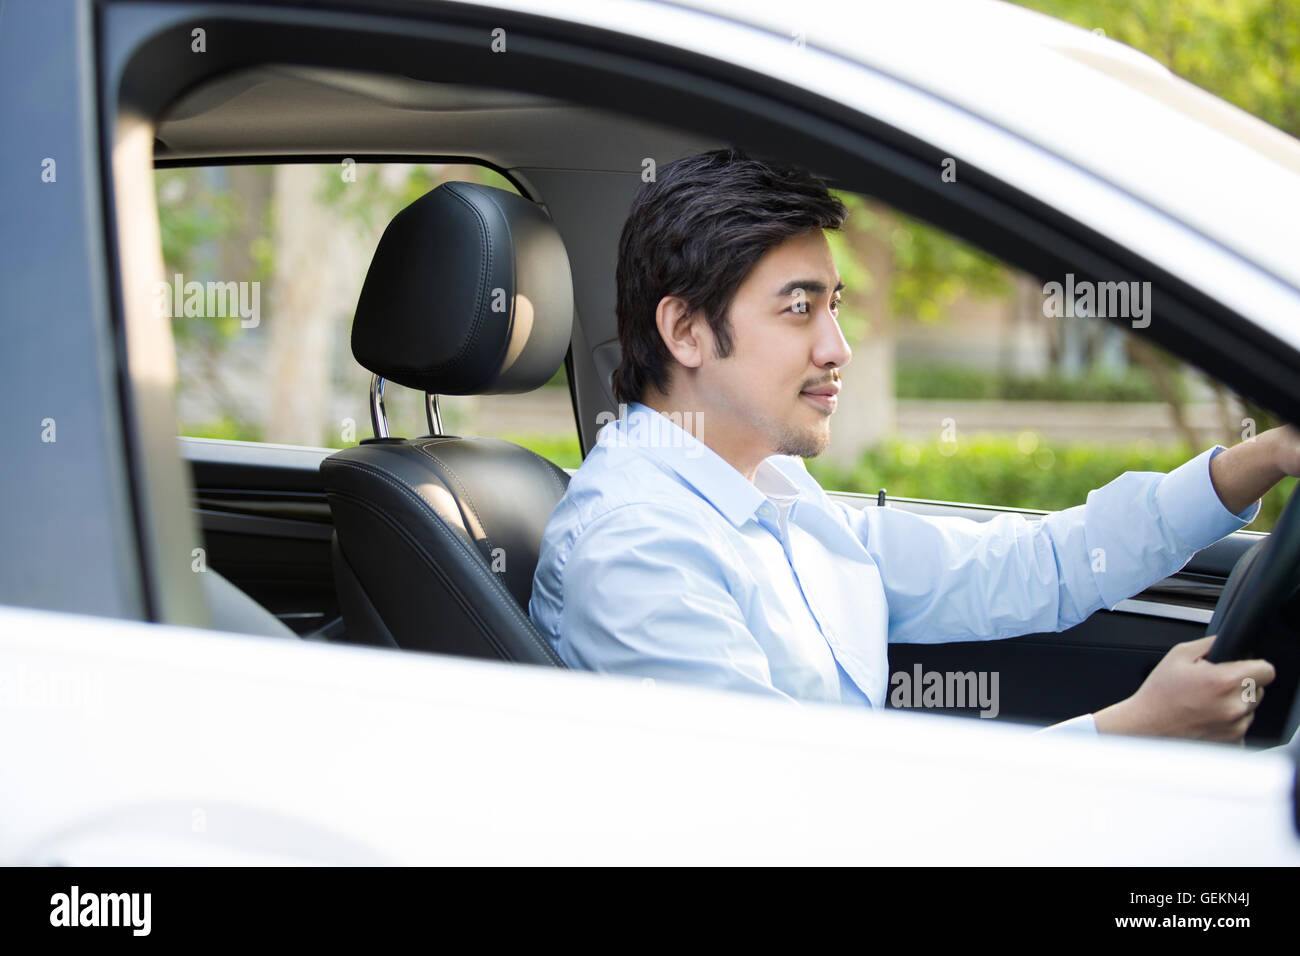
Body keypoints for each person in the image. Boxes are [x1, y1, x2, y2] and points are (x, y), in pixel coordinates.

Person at [529, 148, 1299, 740]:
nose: (839, 347)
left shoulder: (772, 489)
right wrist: (1129, 734)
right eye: (799, 310)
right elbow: (789, 822)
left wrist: (1256, 461)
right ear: (687, 331)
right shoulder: (636, 548)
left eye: (835, 305)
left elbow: (1030, 568)